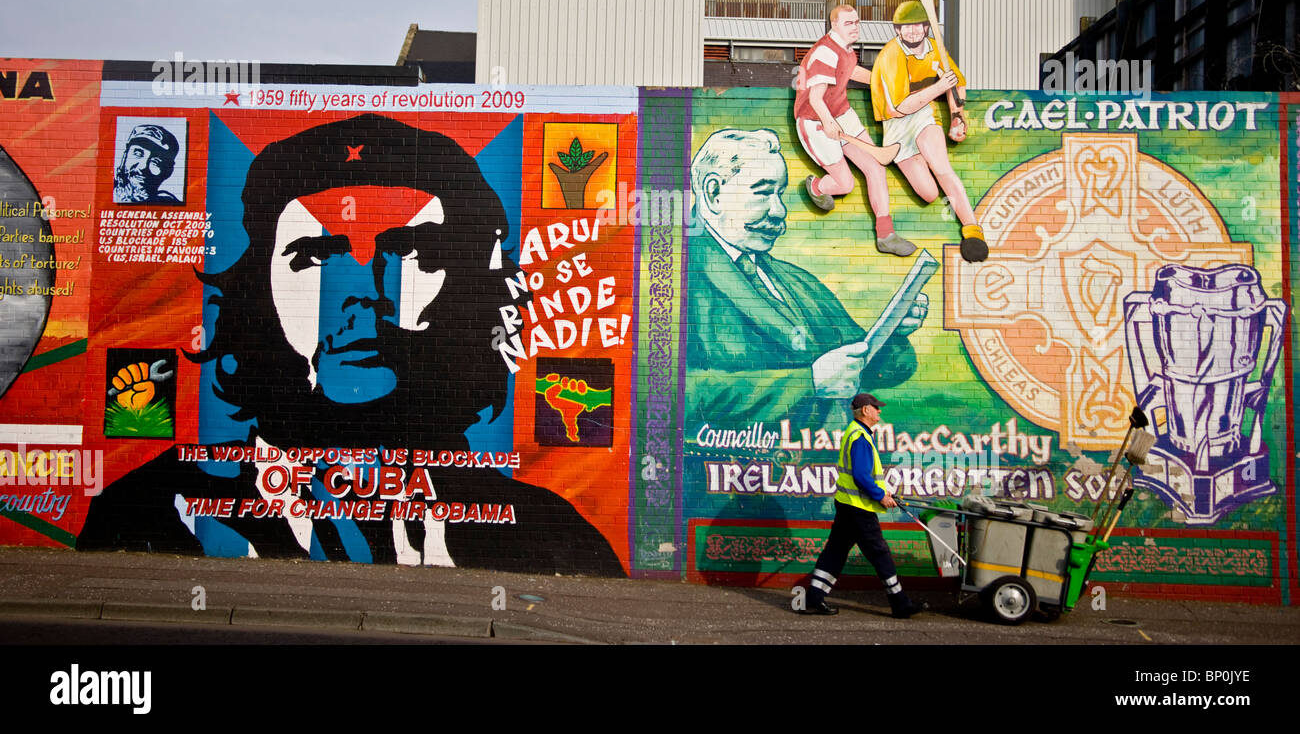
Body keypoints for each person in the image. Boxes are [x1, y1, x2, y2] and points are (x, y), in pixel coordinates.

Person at [80, 114, 623, 576]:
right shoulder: (155, 514)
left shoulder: (549, 537)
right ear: (251, 292)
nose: (364, 298)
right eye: (314, 255)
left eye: (413, 252)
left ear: (474, 293)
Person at [687, 128, 927, 432]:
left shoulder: (796, 282)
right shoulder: (679, 278)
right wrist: (809, 382)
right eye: (762, 192)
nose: (779, 211)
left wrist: (893, 330)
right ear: (713, 193)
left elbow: (880, 368)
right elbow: (675, 395)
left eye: (780, 194)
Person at [870, 0, 988, 262]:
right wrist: (938, 87)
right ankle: (922, 157)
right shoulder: (891, 55)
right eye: (905, 27)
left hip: (923, 116)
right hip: (897, 125)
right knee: (929, 193)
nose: (911, 32)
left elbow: (956, 86)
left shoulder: (936, 50)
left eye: (916, 26)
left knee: (942, 167)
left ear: (926, 27)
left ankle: (972, 231)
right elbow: (900, 107)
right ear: (897, 30)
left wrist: (957, 117)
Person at [794, 4, 914, 257]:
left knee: (875, 167)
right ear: (834, 24)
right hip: (815, 121)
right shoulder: (826, 52)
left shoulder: (846, 51)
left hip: (842, 112)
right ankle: (817, 187)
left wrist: (883, 83)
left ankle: (886, 235)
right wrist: (828, 123)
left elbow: (849, 72)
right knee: (845, 184)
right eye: (849, 23)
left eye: (857, 22)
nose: (855, 27)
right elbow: (816, 98)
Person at [799, 392, 926, 618]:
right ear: (865, 410)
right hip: (859, 508)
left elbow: (863, 475)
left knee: (835, 552)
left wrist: (883, 491)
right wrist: (880, 496)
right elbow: (860, 475)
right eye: (876, 407)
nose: (879, 411)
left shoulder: (857, 433)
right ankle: (899, 603)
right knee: (880, 553)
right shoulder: (860, 437)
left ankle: (813, 598)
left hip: (848, 504)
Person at [113, 123, 182, 204]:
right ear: (125, 156)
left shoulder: (169, 204)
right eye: (137, 154)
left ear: (168, 172)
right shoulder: (104, 190)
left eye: (155, 161)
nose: (143, 166)